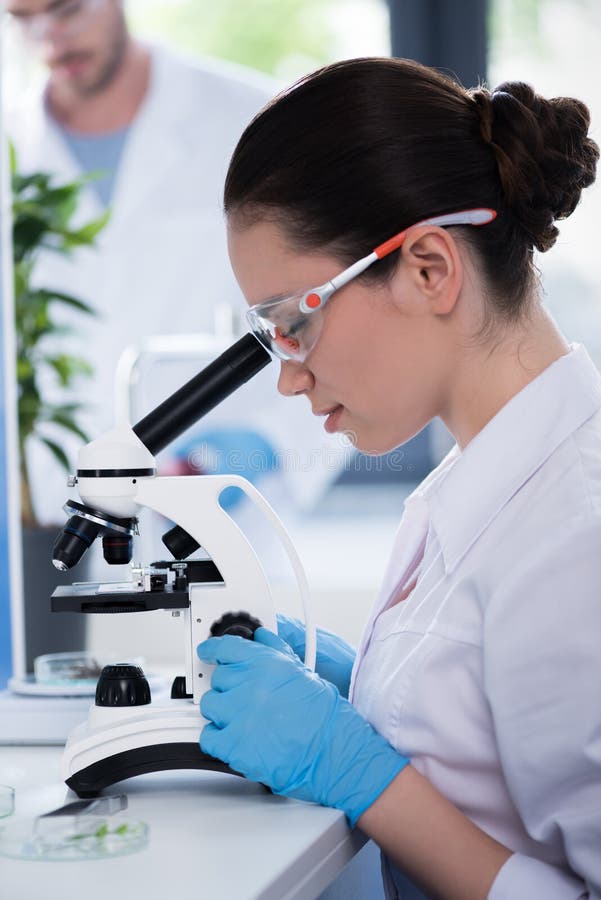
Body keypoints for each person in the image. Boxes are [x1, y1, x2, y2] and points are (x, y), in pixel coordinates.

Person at [195, 57, 601, 899]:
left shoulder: (577, 538)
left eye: (293, 322)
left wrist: (362, 776)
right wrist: (370, 695)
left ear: (427, 269)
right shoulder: (486, 479)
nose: (288, 378)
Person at [5, 0, 345, 527]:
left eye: (67, 8)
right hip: (51, 511)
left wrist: (269, 443)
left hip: (226, 517)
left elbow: (345, 301)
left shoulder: (257, 121)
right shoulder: (12, 149)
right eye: (22, 17)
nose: (49, 39)